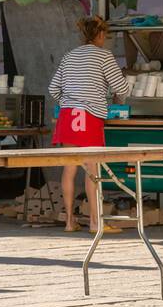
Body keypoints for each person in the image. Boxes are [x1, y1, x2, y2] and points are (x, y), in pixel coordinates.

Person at [48, 16, 130, 233]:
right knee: (92, 170)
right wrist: (115, 99)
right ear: (101, 35)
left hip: (68, 116)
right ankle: (95, 222)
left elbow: (53, 89)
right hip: (90, 117)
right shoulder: (104, 56)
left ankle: (69, 221)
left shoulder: (69, 56)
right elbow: (122, 88)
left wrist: (70, 100)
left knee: (69, 169)